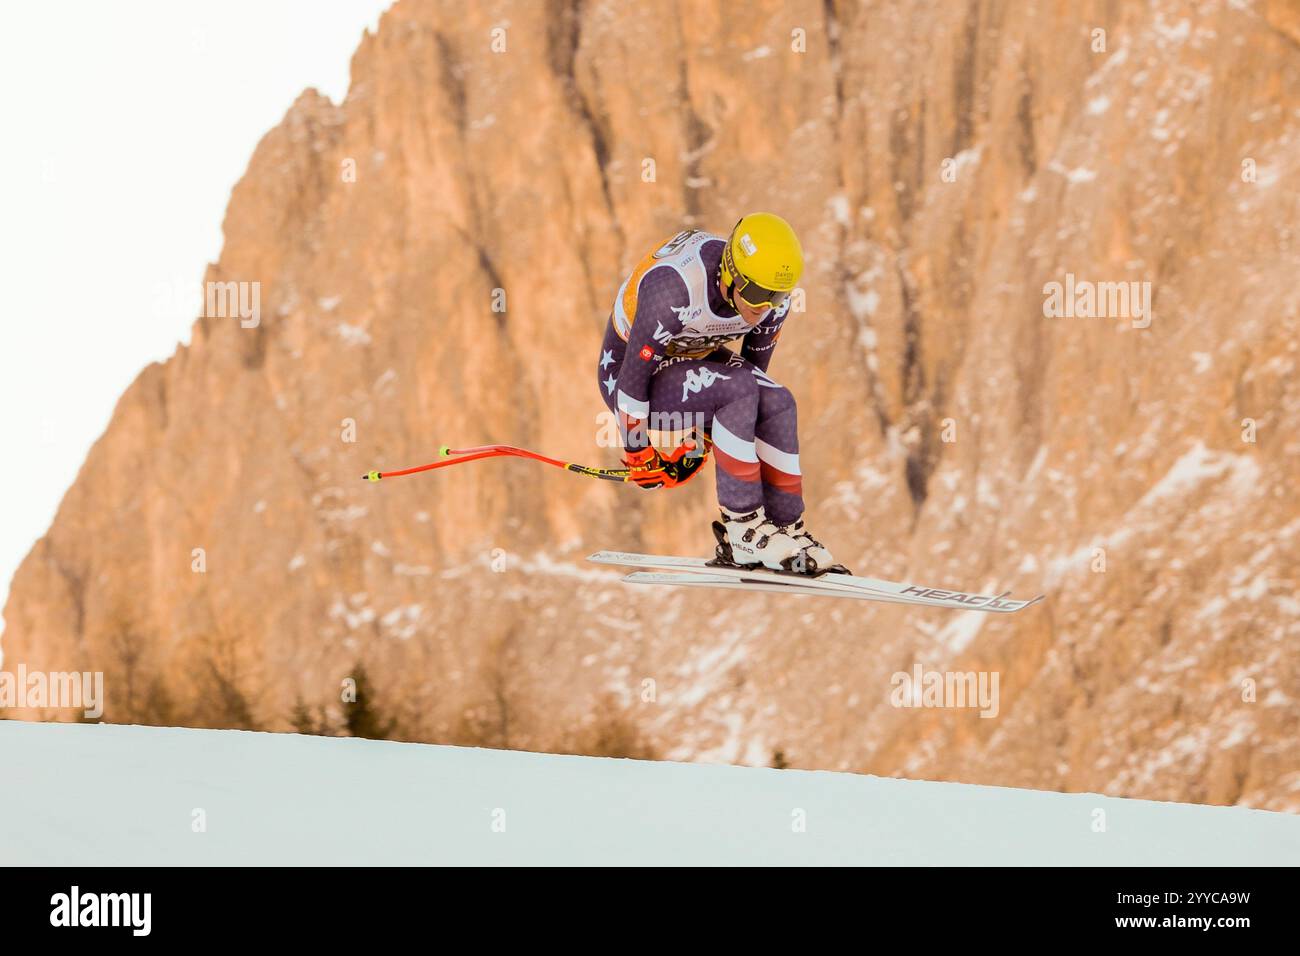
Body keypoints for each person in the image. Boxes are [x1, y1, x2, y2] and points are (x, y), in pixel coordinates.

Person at [595, 213, 843, 574]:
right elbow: (632, 383)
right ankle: (742, 529)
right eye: (758, 293)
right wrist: (639, 452)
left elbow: (755, 383)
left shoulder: (771, 302)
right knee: (739, 390)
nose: (764, 307)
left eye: (777, 296)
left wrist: (707, 435)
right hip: (628, 379)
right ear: (730, 273)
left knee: (778, 401)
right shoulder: (674, 289)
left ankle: (787, 527)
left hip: (693, 360)